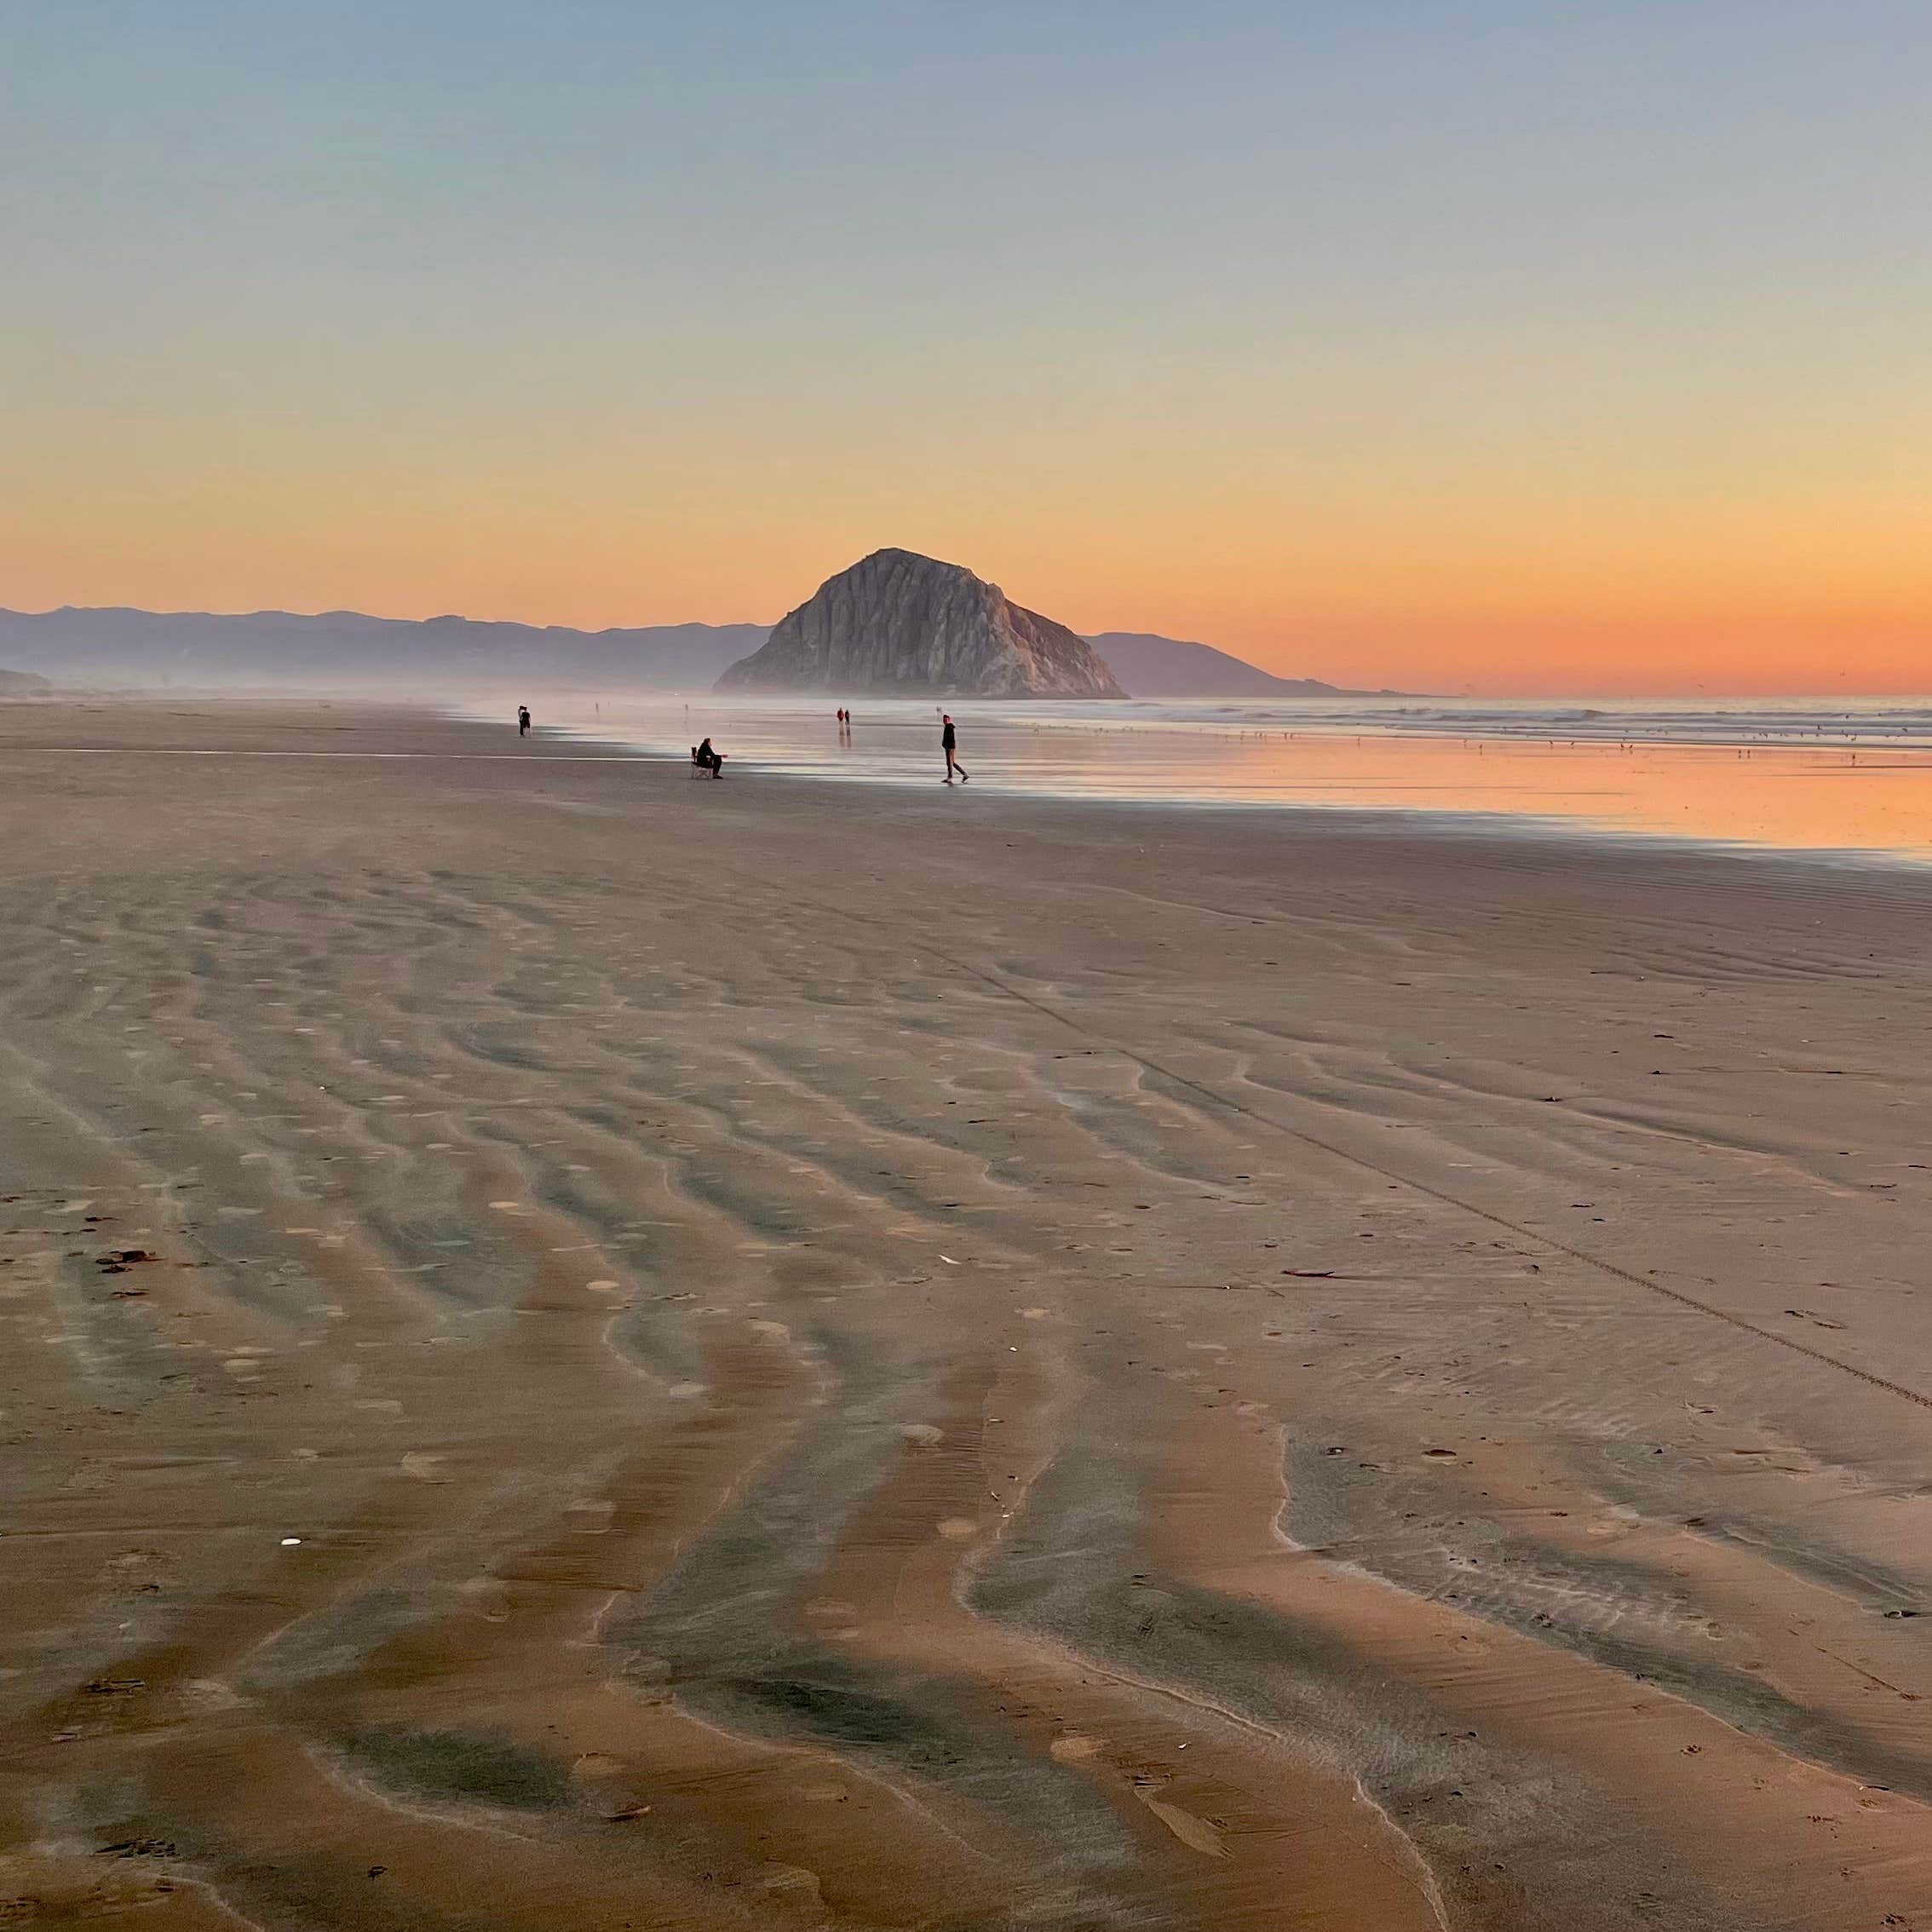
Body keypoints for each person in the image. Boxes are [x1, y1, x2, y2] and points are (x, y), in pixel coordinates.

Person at [941, 713, 968, 783]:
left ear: (949, 720)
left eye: (946, 720)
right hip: (950, 747)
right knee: (951, 763)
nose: (945, 721)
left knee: (950, 763)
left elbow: (950, 739)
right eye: (944, 720)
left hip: (949, 747)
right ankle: (964, 774)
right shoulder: (948, 726)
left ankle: (950, 777)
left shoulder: (949, 727)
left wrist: (946, 746)